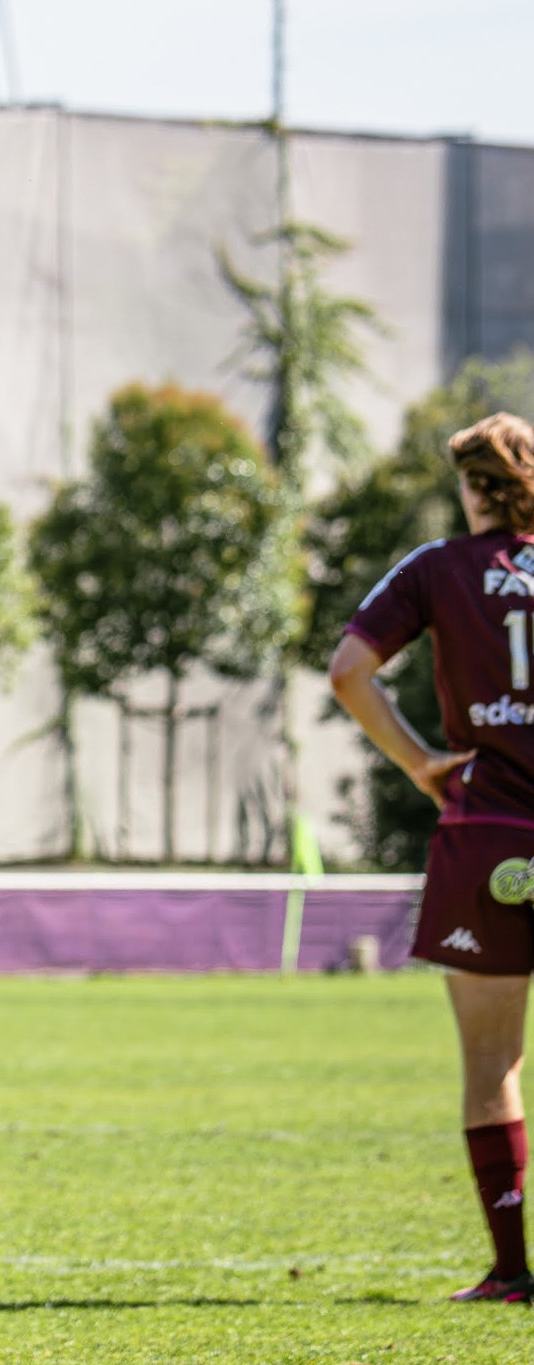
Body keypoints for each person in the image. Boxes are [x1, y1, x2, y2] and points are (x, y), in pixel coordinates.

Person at [332, 412, 534, 1304]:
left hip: (487, 832)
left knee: (491, 1065)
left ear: (469, 486)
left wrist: (419, 762)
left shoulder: (437, 568)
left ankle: (512, 1268)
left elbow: (349, 670)